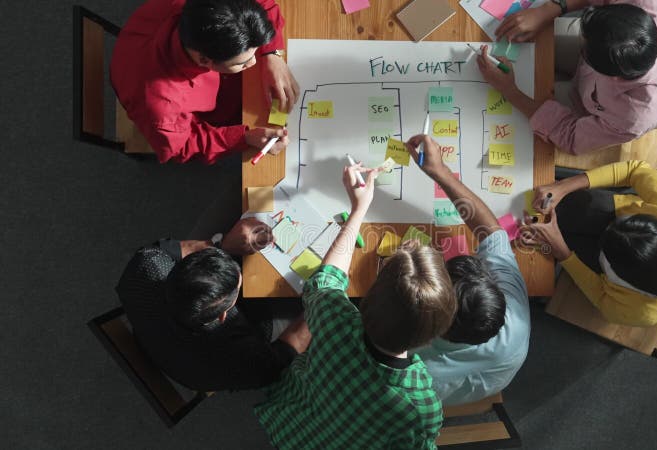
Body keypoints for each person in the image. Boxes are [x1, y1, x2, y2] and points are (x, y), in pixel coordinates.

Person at [253, 164, 456, 449]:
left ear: (367, 296)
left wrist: (359, 209)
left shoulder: (336, 318)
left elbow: (326, 279)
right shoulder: (420, 405)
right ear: (435, 335)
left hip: (289, 424)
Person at [405, 135, 531, 406]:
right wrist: (441, 173)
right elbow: (492, 232)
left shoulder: (414, 364)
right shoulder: (511, 308)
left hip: (441, 391)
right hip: (489, 371)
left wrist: (403, 269)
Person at [116, 218, 310, 392]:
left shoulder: (146, 264)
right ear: (224, 316)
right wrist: (323, 299)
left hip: (154, 329)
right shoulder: (241, 360)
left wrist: (219, 244)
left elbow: (173, 249)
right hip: (200, 366)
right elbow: (283, 355)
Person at [481, 0, 657, 155]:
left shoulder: (634, 115)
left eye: (584, 43)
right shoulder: (651, 4)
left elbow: (570, 137)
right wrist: (551, 9)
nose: (580, 38)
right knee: (534, 46)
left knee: (523, 98)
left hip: (590, 109)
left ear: (609, 76)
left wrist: (510, 91)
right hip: (602, 61)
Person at [111, 0, 300, 164]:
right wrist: (245, 137)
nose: (254, 62)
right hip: (152, 94)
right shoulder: (162, 107)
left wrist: (272, 54)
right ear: (204, 61)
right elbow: (183, 146)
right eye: (244, 62)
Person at [521, 160, 657, 327]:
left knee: (534, 252)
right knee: (551, 209)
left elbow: (600, 294)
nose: (606, 230)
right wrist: (564, 186)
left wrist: (561, 252)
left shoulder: (638, 312)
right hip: (614, 214)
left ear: (623, 275)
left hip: (601, 268)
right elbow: (635, 170)